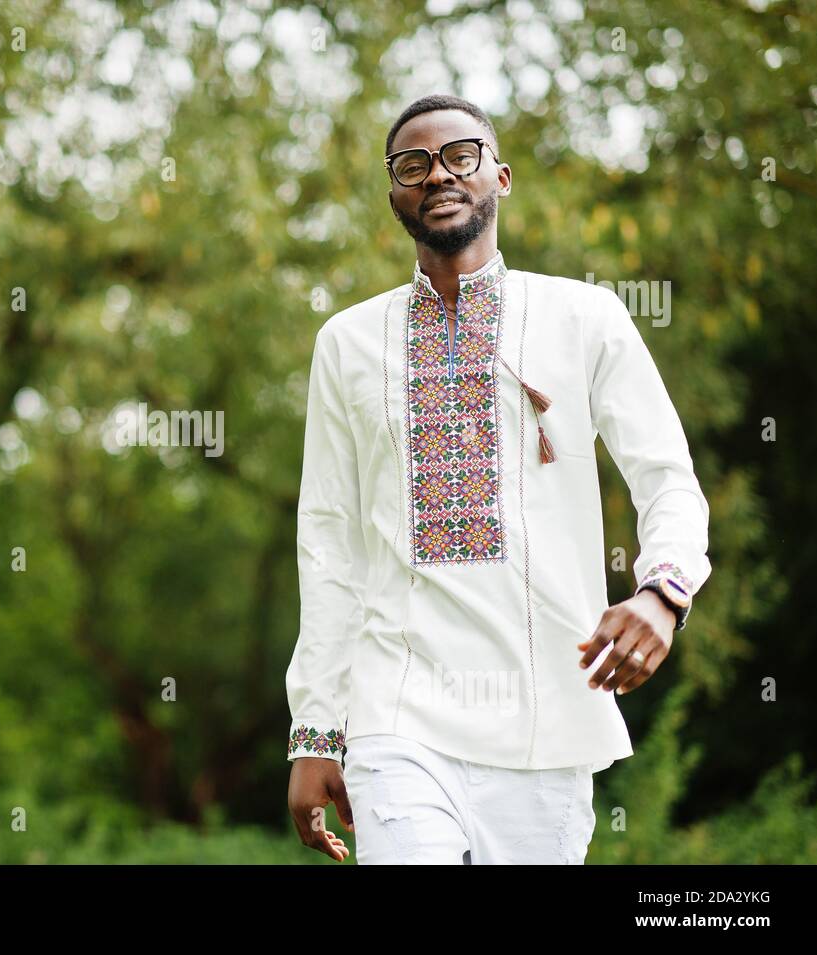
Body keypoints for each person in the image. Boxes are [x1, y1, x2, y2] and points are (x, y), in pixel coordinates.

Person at [284, 94, 711, 864]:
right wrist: (315, 730)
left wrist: (663, 592)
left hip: (546, 719)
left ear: (500, 176)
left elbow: (668, 479)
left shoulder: (585, 318)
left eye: (461, 155)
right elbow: (328, 546)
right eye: (414, 165)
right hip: (397, 715)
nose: (439, 174)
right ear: (395, 197)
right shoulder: (346, 342)